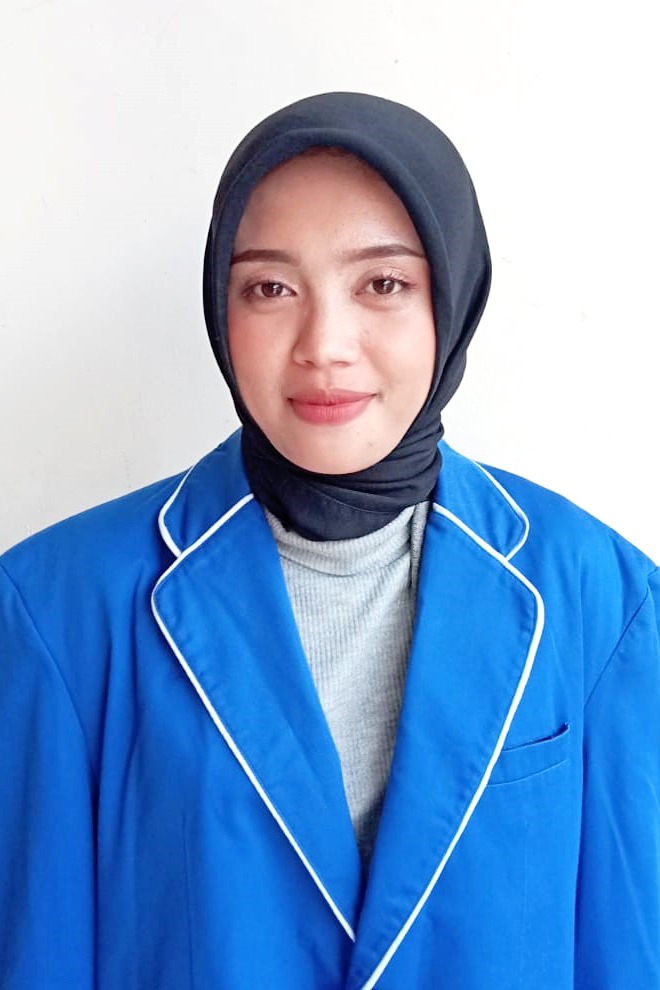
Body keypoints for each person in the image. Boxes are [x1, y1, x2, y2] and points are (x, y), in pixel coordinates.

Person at [0, 92, 658, 989]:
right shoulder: (55, 611)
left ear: (452, 297)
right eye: (270, 288)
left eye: (382, 284)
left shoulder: (605, 599)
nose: (325, 345)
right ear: (221, 308)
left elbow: (628, 957)